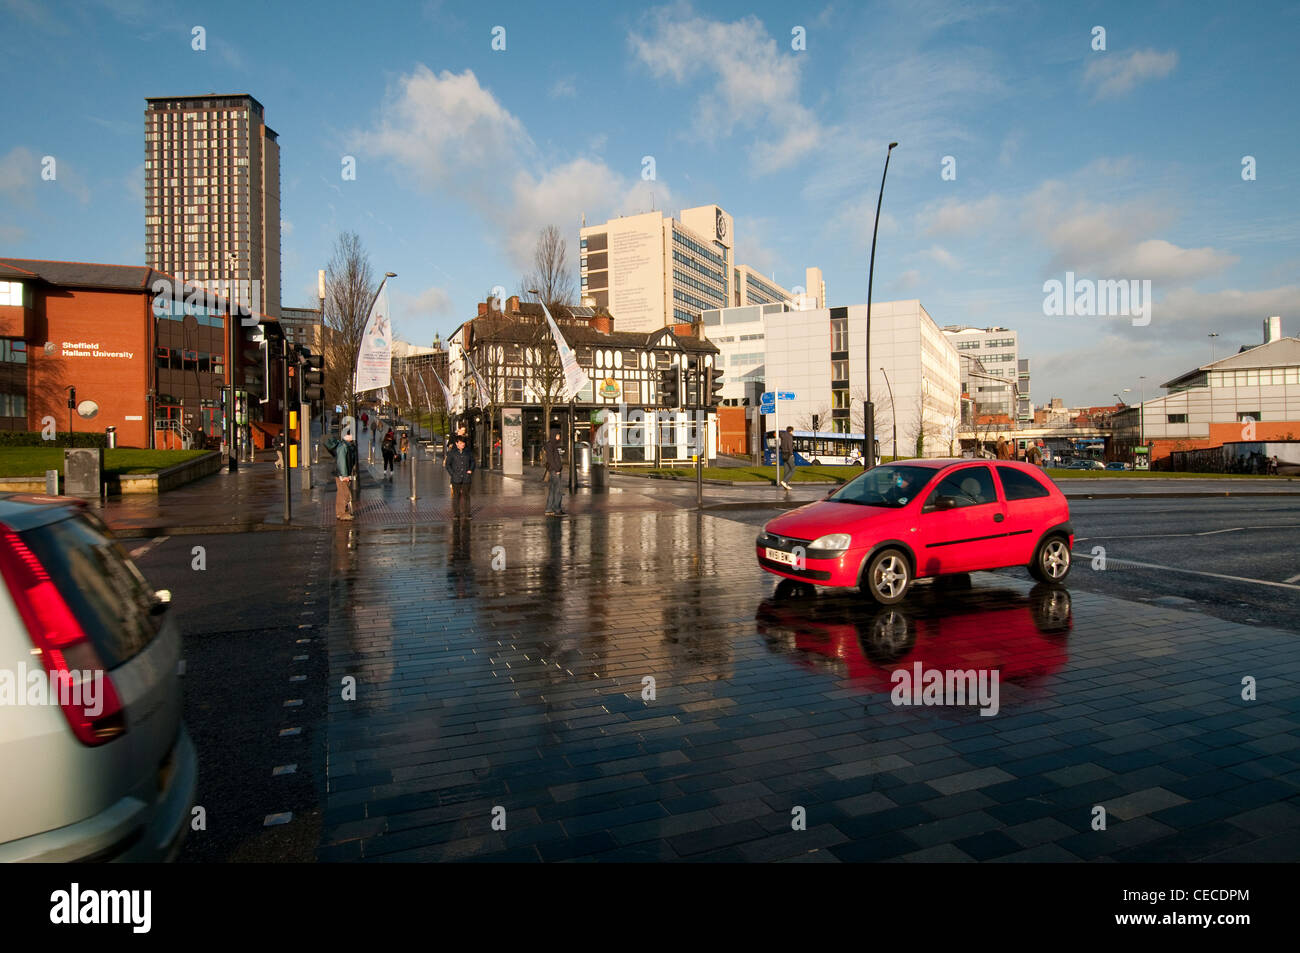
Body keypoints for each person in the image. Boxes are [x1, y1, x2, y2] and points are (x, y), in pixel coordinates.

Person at [445, 434, 474, 520]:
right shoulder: (452, 452)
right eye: (461, 443)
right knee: (456, 496)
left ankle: (467, 513)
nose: (463, 444)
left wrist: (470, 470)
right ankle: (456, 514)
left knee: (466, 496)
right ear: (456, 443)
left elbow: (473, 462)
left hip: (466, 478)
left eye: (463, 443)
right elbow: (447, 464)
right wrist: (452, 474)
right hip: (456, 478)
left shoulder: (468, 452)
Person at [335, 431, 358, 521]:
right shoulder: (343, 447)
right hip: (342, 475)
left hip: (345, 473)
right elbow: (341, 461)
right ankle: (341, 513)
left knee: (343, 493)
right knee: (344, 493)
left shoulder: (347, 445)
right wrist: (344, 475)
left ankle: (342, 512)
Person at [544, 430, 566, 515]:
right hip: (555, 471)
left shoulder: (553, 445)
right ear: (554, 435)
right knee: (558, 490)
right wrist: (557, 469)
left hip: (554, 470)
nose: (559, 437)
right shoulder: (550, 445)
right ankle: (557, 509)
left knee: (553, 490)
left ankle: (549, 509)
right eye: (557, 435)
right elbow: (551, 459)